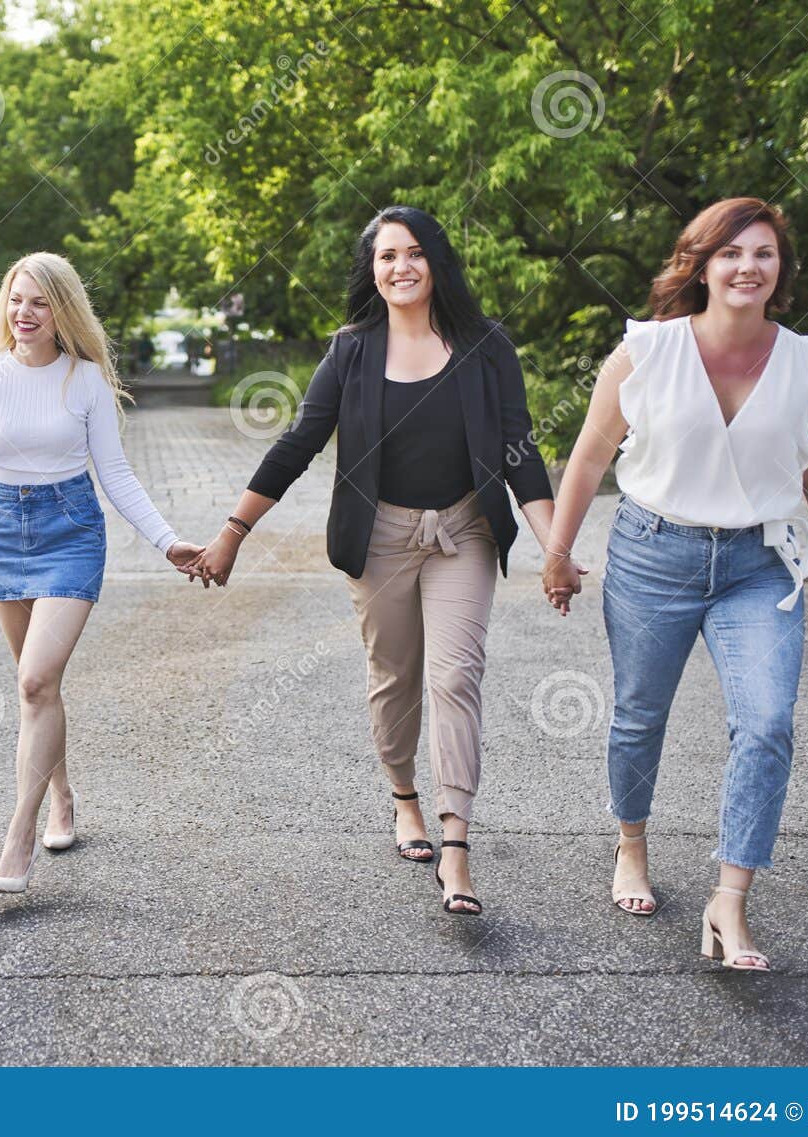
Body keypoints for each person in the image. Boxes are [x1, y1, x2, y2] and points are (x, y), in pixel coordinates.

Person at [193, 207, 557, 917]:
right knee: (396, 677)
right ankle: (405, 799)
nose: (402, 267)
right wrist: (233, 531)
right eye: (388, 256)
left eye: (415, 253)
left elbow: (520, 450)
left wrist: (556, 547)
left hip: (464, 530)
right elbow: (299, 444)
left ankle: (457, 845)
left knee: (456, 674)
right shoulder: (353, 349)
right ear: (373, 270)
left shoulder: (486, 346)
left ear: (437, 263)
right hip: (381, 536)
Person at [542, 197, 808, 970]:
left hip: (758, 567)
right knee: (640, 717)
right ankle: (632, 846)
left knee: (768, 721)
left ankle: (729, 900)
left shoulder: (806, 362)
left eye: (763, 254)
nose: (748, 266)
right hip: (655, 553)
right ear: (703, 265)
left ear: (780, 270)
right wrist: (558, 549)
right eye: (731, 253)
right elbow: (588, 455)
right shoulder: (647, 353)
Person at [0, 252, 203, 895]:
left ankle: (17, 837)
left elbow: (117, 473)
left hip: (71, 530)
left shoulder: (85, 381)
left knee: (33, 680)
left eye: (40, 302)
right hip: (1, 529)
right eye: (16, 299)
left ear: (62, 312)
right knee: (39, 690)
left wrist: (166, 541)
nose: (24, 313)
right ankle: (62, 798)